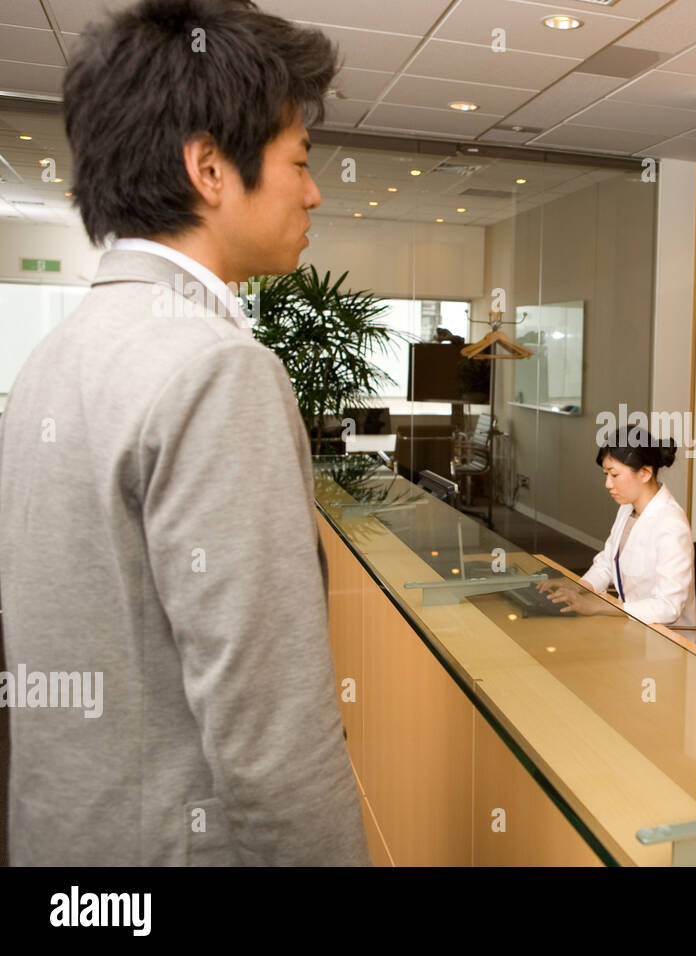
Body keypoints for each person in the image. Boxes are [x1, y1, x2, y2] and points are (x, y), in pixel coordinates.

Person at [0, 0, 369, 865]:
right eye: (299, 161)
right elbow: (273, 740)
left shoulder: (53, 356)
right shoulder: (216, 369)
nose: (313, 192)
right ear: (209, 166)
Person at [539, 427, 696, 628]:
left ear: (644, 473)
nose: (608, 483)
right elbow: (608, 563)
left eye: (614, 475)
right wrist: (577, 588)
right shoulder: (627, 508)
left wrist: (599, 606)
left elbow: (668, 607)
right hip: (631, 626)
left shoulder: (671, 524)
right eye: (606, 474)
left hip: (668, 641)